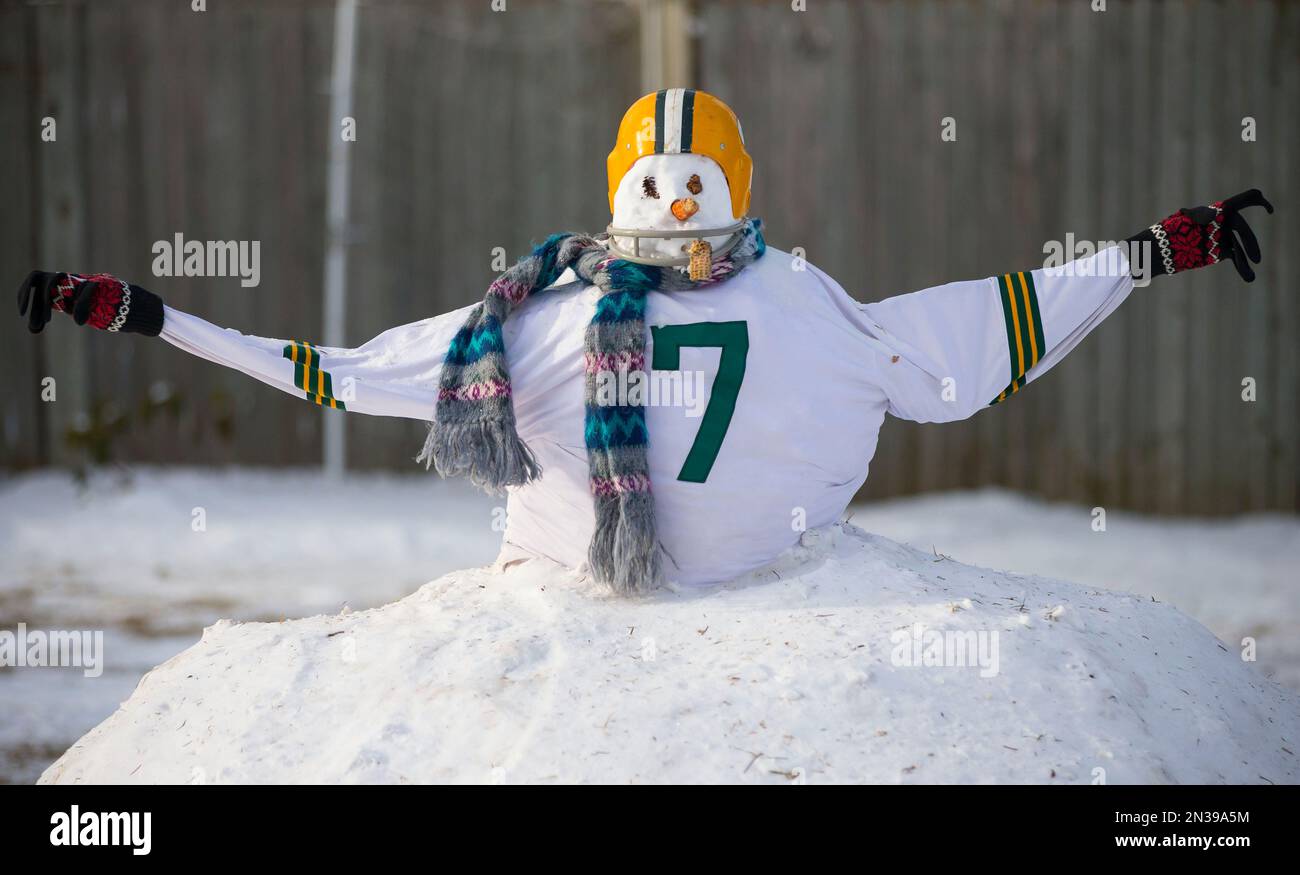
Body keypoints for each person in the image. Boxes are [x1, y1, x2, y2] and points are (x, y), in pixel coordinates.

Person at [17, 89, 1273, 594]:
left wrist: (151, 314)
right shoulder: (804, 303)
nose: (673, 204)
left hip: (581, 614)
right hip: (774, 603)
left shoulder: (530, 317)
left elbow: (333, 375)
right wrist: (1147, 253)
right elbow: (977, 339)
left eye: (683, 182)